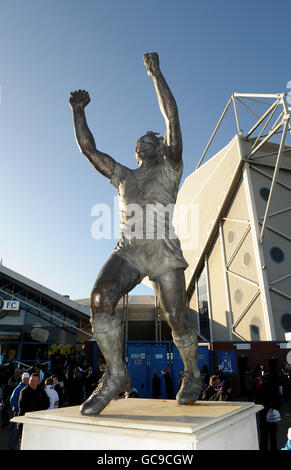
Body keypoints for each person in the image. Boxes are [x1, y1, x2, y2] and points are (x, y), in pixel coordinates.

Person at [70, 52, 202, 416]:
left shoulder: (170, 168)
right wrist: (78, 111)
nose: (143, 142)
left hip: (162, 253)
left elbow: (172, 117)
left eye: (150, 139)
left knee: (176, 317)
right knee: (100, 298)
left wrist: (156, 73)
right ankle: (116, 374)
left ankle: (192, 374)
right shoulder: (124, 176)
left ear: (161, 147)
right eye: (140, 141)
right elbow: (88, 149)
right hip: (129, 250)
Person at [255, 372, 281, 450]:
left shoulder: (259, 390)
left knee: (263, 438)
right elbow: (279, 403)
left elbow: (256, 403)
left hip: (263, 416)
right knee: (273, 437)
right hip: (272, 416)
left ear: (262, 380)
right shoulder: (274, 389)